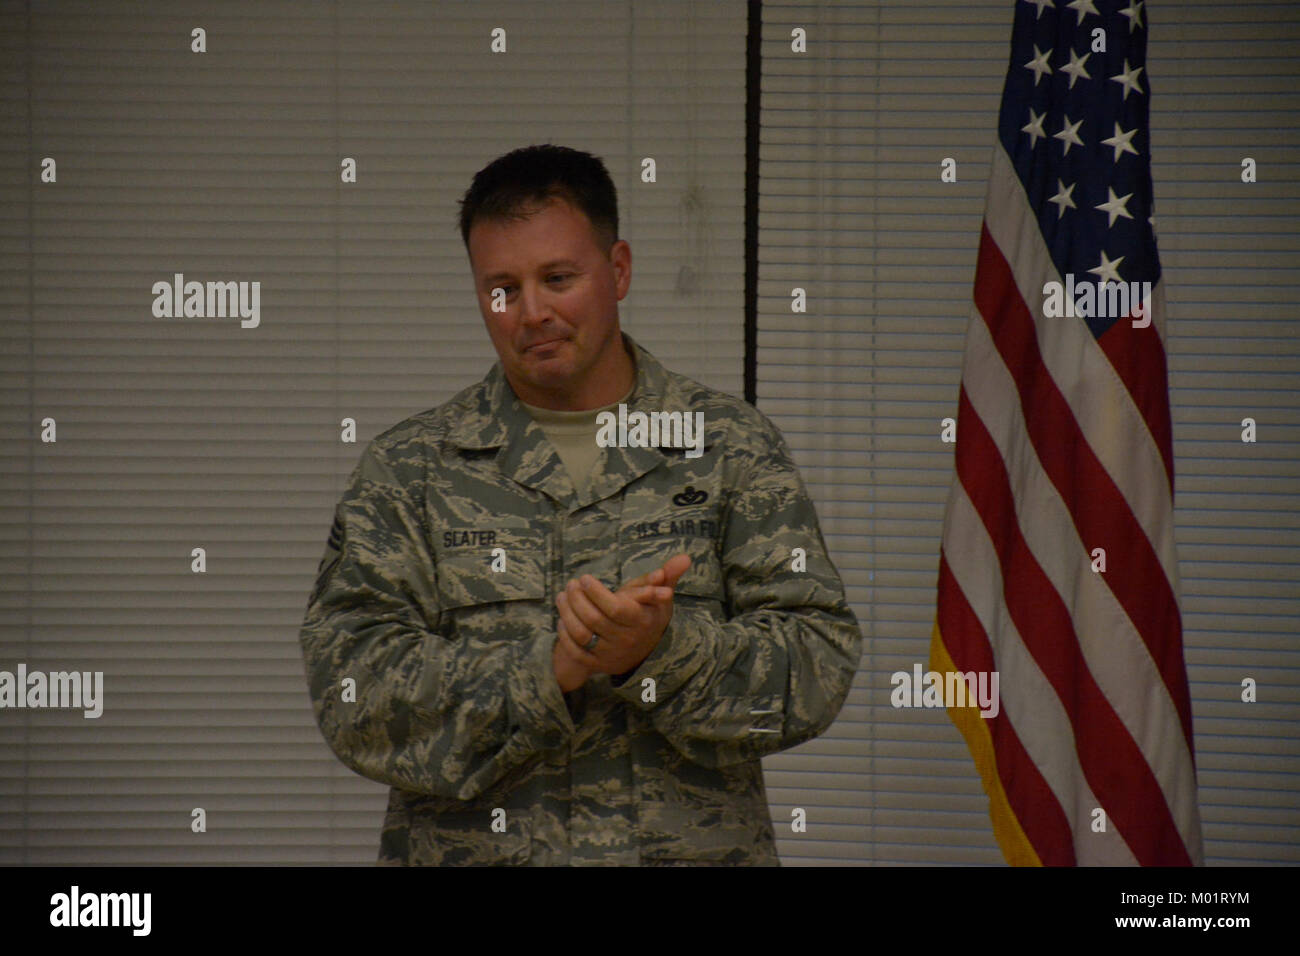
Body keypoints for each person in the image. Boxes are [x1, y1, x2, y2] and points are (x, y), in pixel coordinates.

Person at [298, 144, 861, 865]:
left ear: (618, 269)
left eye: (558, 278)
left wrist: (659, 655)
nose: (531, 312)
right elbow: (354, 692)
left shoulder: (728, 447)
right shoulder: (411, 470)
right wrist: (545, 673)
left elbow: (817, 662)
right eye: (501, 289)